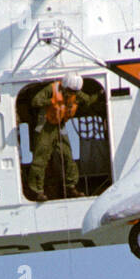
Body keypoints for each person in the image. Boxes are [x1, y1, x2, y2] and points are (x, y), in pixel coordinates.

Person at [26, 73, 102, 201]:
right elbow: (35, 101)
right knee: (40, 159)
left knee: (68, 156)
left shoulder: (75, 94)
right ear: (64, 86)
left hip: (60, 127)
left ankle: (70, 186)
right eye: (69, 91)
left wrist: (99, 94)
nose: (71, 94)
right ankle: (37, 191)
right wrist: (50, 101)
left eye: (74, 91)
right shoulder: (52, 89)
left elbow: (87, 100)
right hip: (45, 127)